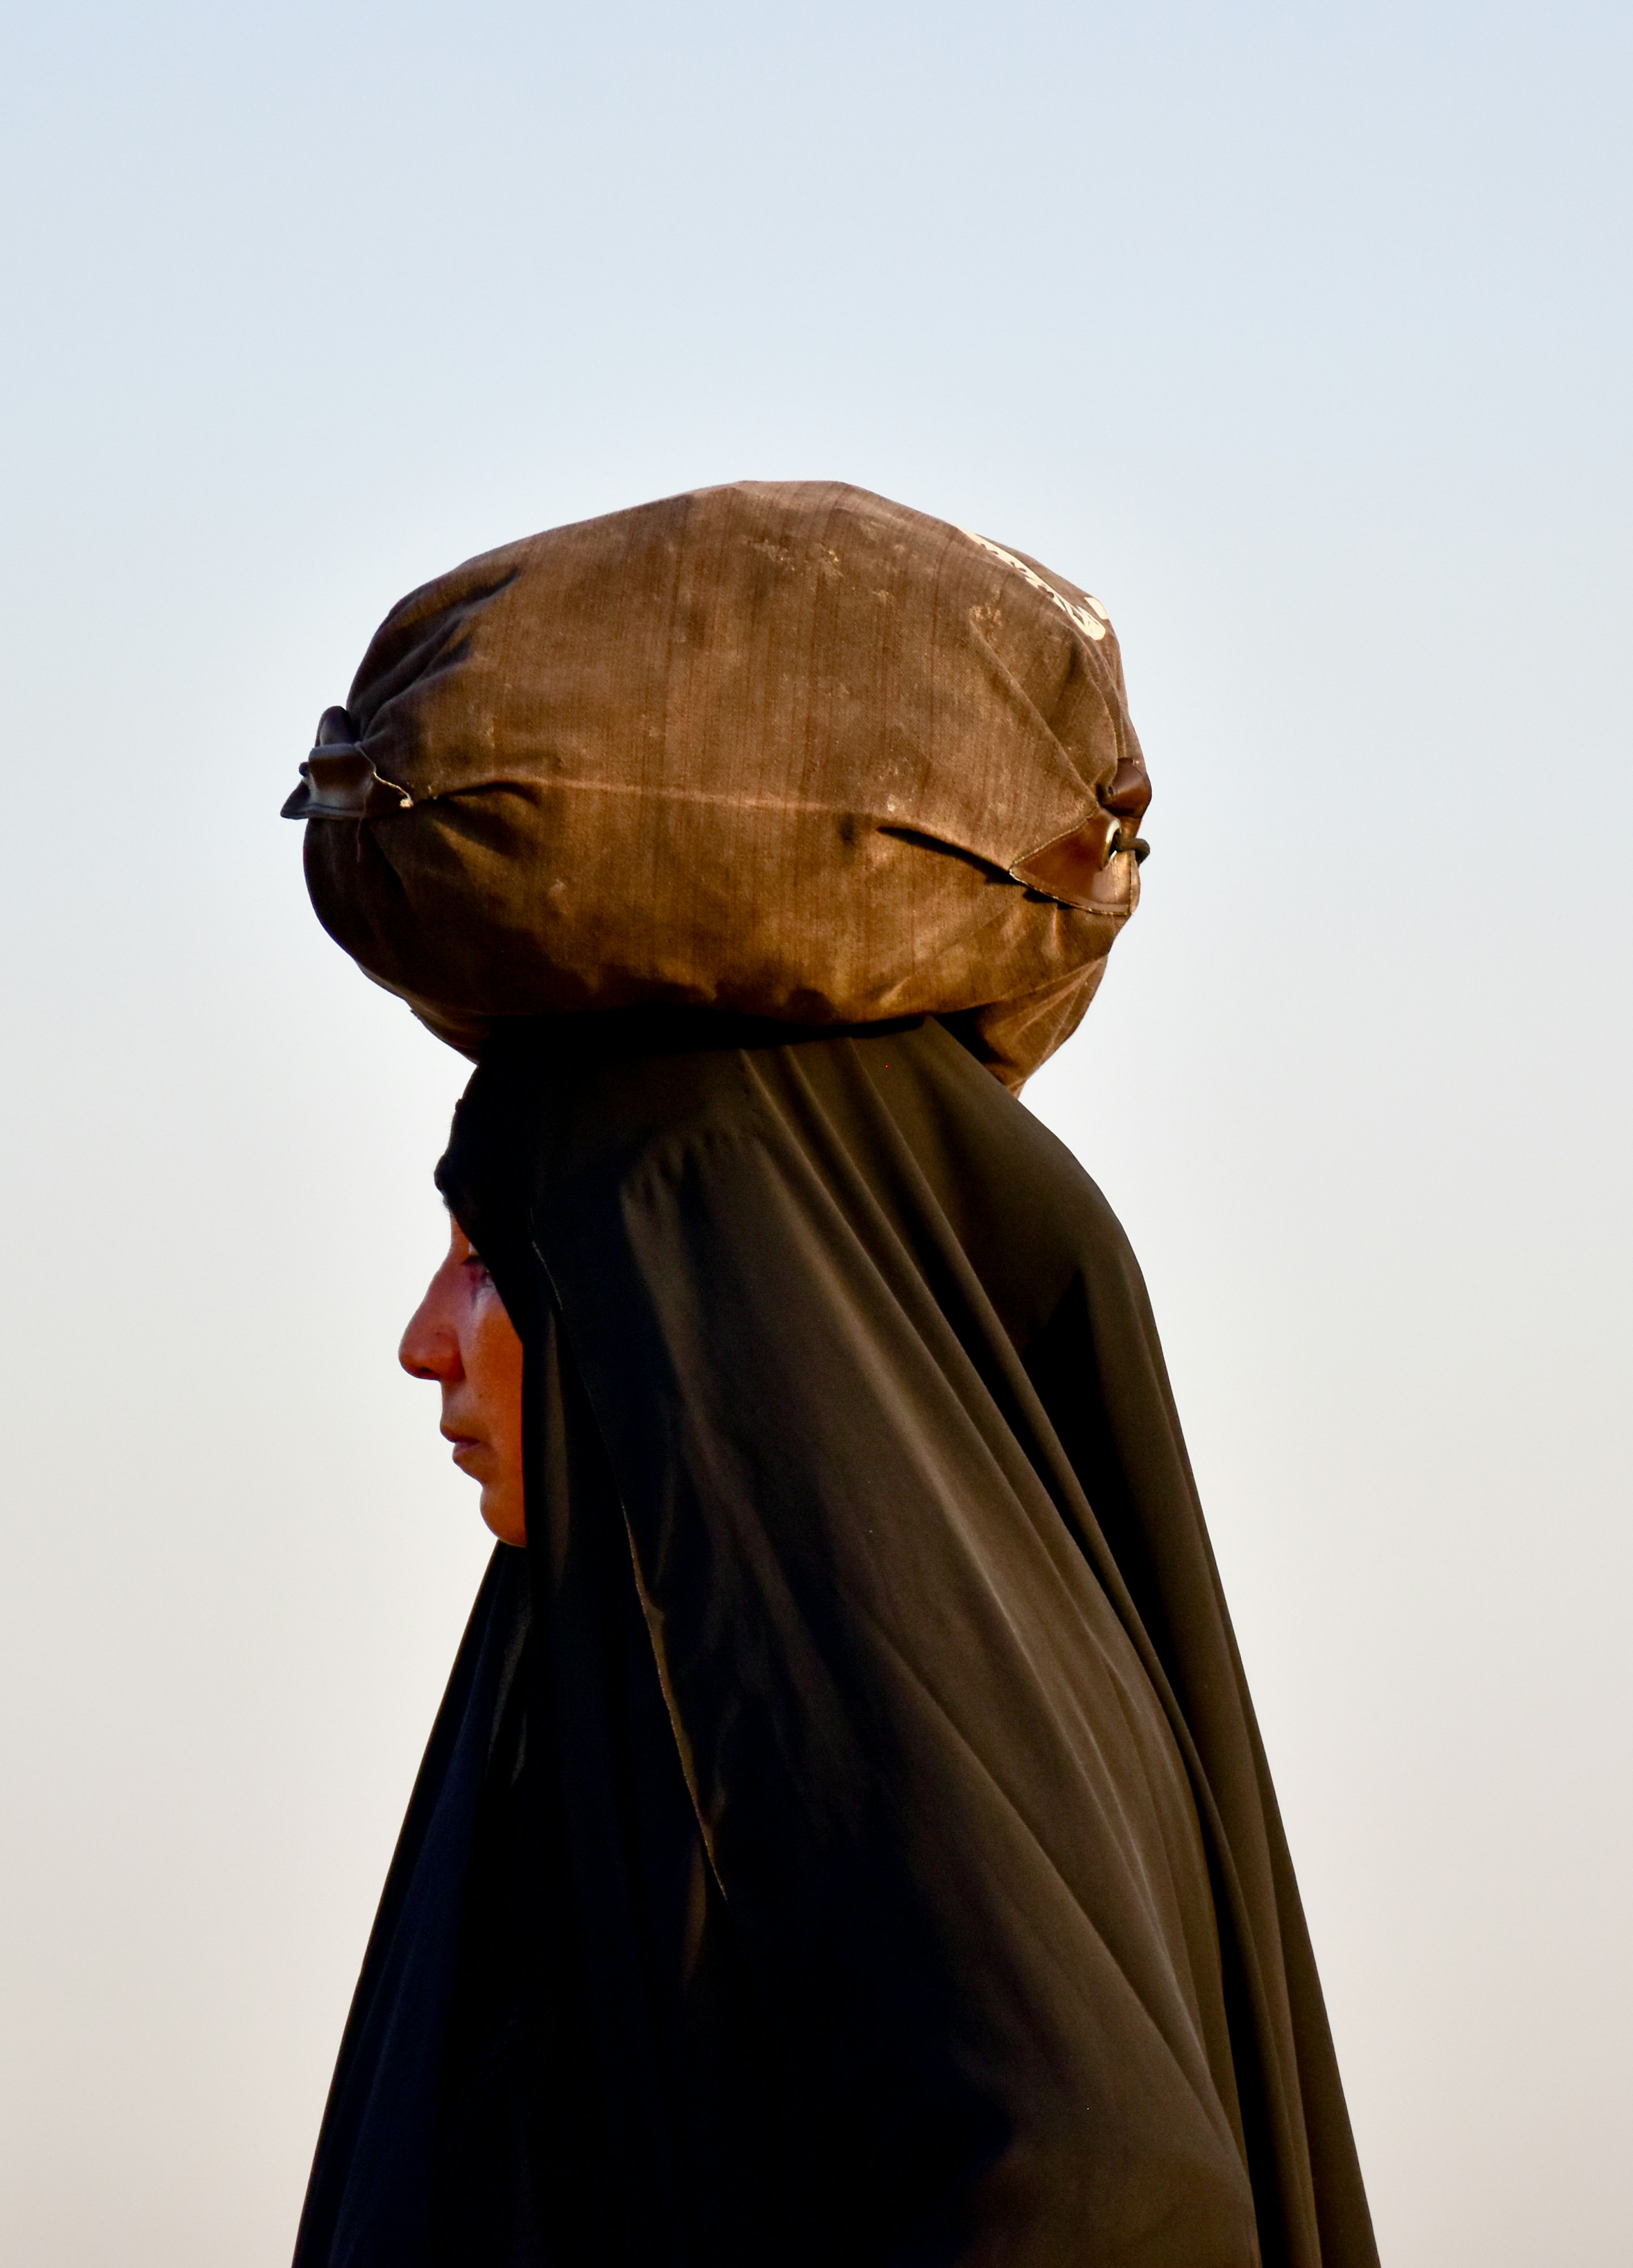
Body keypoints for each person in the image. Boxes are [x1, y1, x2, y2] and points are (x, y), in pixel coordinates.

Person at [284, 485, 1379, 2267]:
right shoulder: (634, 1719)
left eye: (491, 1257)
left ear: (698, 1309)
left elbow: (1096, 2190)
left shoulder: (834, 1721)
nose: (425, 1338)